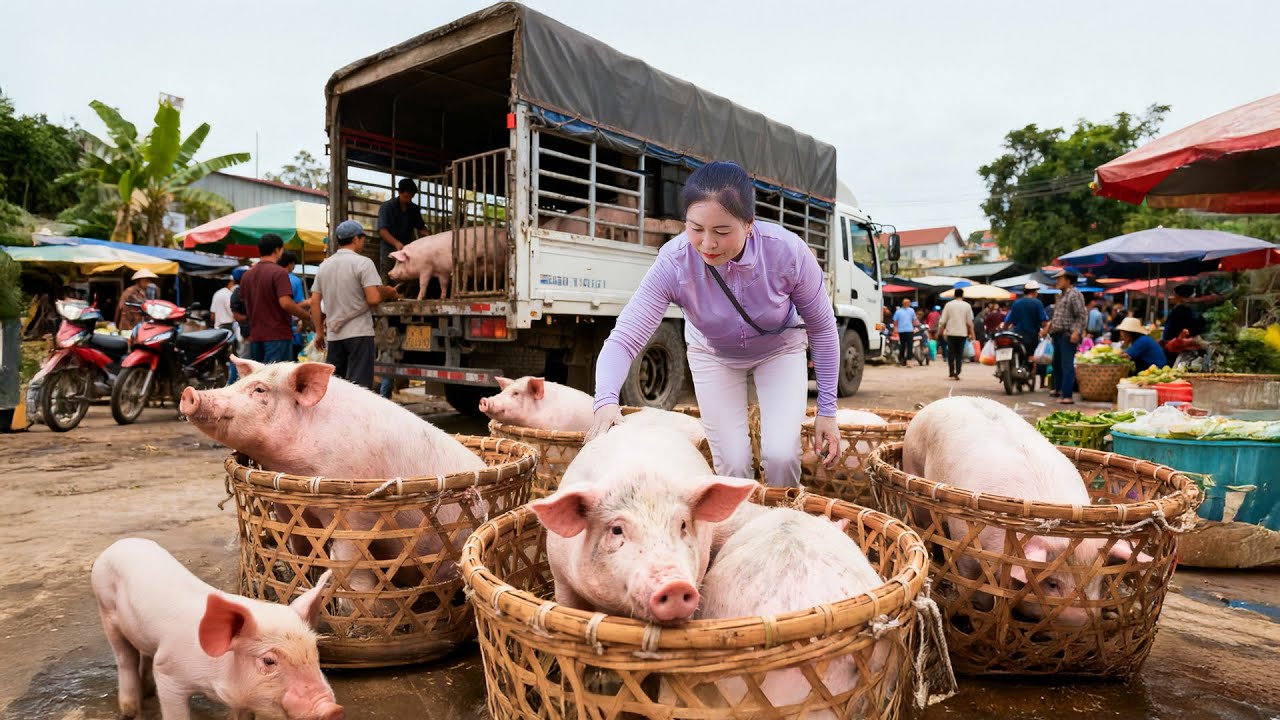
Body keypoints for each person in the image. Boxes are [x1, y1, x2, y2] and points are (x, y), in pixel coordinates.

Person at [585, 161, 839, 487]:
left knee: (780, 456)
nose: (707, 244)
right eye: (695, 229)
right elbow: (624, 338)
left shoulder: (788, 253)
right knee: (731, 464)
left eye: (721, 232)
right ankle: (740, 528)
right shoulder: (673, 262)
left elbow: (823, 327)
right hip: (713, 354)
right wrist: (605, 401)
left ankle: (783, 521)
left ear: (749, 224)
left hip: (780, 350)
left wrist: (827, 411)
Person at [311, 220, 394, 390]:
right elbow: (372, 299)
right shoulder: (363, 263)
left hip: (334, 335)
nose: (363, 242)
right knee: (359, 386)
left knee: (336, 386)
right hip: (359, 334)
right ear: (356, 239)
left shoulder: (324, 266)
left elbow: (314, 301)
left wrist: (319, 332)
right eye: (362, 239)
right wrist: (386, 293)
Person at [239, 234, 310, 364]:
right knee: (276, 380)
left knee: (260, 379)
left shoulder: (247, 275)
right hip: (278, 335)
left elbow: (243, 303)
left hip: (256, 335)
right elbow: (286, 303)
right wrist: (306, 316)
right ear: (278, 250)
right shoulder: (279, 273)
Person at [1048, 269, 1087, 404]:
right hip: (1057, 334)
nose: (1057, 281)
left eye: (1060, 278)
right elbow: (1057, 315)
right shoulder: (1061, 295)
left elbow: (1081, 315)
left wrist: (1076, 332)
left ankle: (1067, 396)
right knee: (1056, 364)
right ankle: (1059, 389)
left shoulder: (1075, 295)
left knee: (1067, 365)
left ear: (1068, 280)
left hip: (1067, 335)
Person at [377, 178, 426, 276]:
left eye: (411, 197)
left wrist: (432, 239)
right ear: (399, 192)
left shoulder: (414, 209)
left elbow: (421, 228)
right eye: (406, 196)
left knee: (406, 275)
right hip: (389, 248)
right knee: (388, 274)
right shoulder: (387, 207)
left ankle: (403, 291)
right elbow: (382, 231)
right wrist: (396, 243)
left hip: (407, 248)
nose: (409, 200)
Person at [1004, 281, 1050, 382]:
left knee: (1017, 352)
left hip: (1017, 335)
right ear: (1035, 292)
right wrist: (1045, 330)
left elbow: (1008, 321)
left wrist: (1004, 328)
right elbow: (1043, 321)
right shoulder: (1037, 303)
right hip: (1031, 336)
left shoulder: (1017, 303)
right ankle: (1028, 372)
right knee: (1030, 356)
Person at [1161, 284, 1205, 364]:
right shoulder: (1194, 311)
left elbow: (1172, 330)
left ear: (1179, 296)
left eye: (1174, 294)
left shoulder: (1180, 311)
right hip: (1183, 347)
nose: (1172, 297)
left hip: (1177, 347)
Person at [279, 251, 310, 360]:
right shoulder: (295, 280)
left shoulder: (274, 277)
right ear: (291, 263)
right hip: (291, 328)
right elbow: (297, 305)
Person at [938, 288, 975, 380]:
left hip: (951, 332)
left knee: (951, 352)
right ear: (962, 295)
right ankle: (958, 371)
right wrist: (972, 334)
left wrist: (941, 331)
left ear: (954, 295)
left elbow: (943, 320)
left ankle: (951, 371)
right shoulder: (967, 306)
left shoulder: (948, 305)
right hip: (962, 333)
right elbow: (969, 322)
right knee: (959, 353)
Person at [891, 298, 919, 367]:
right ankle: (902, 359)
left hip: (910, 330)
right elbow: (895, 321)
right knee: (902, 345)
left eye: (908, 303)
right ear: (903, 304)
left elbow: (914, 319)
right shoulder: (899, 311)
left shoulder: (911, 310)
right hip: (901, 330)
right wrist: (895, 328)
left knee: (910, 345)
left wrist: (916, 325)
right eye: (906, 303)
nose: (908, 304)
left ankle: (908, 359)